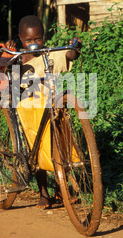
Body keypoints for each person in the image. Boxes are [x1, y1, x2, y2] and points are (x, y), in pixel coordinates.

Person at [6, 15, 81, 209]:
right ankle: (43, 193)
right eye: (28, 40)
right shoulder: (19, 58)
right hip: (28, 110)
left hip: (51, 108)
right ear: (20, 39)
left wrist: (75, 47)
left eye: (37, 39)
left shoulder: (50, 54)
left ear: (44, 38)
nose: (33, 44)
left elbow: (69, 56)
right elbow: (12, 78)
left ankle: (61, 190)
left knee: (59, 146)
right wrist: (11, 56)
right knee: (36, 150)